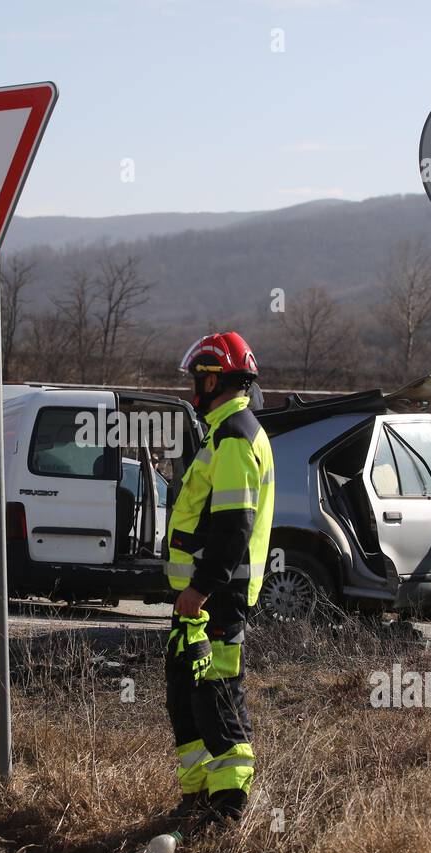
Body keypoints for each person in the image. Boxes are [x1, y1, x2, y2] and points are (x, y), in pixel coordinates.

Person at [164, 332, 274, 826]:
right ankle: (198, 796)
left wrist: (200, 589)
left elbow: (233, 528)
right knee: (186, 696)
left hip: (214, 599)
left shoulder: (234, 436)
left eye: (199, 379)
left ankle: (228, 807)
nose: (194, 388)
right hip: (198, 599)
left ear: (218, 379)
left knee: (216, 694)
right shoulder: (224, 431)